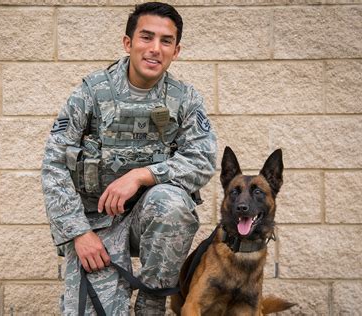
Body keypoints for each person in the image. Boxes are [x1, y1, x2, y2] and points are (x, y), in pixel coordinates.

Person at [41, 2, 217, 315]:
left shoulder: (185, 99)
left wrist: (140, 175)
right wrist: (78, 233)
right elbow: (54, 165)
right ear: (128, 43)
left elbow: (202, 159)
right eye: (146, 37)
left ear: (176, 50)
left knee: (172, 202)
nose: (155, 49)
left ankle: (152, 302)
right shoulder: (91, 93)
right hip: (95, 225)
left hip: (151, 221)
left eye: (166, 41)